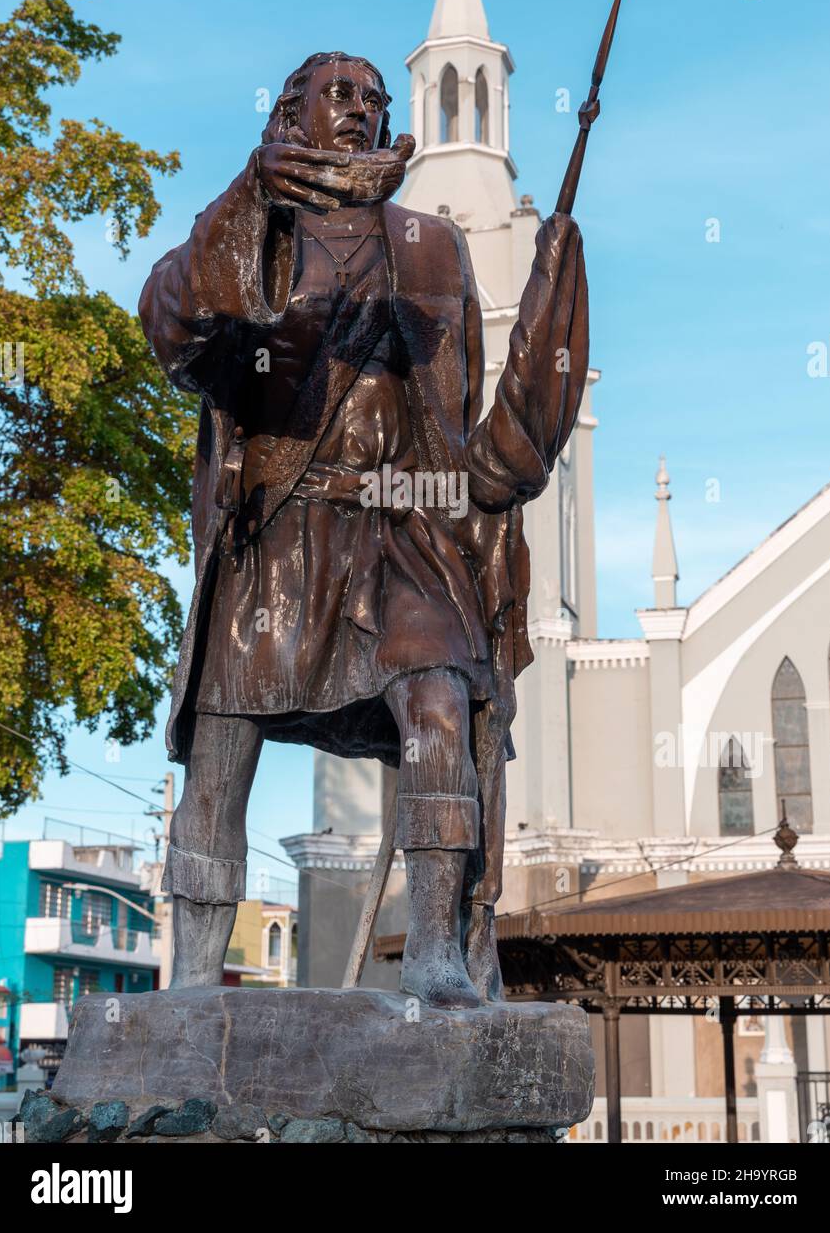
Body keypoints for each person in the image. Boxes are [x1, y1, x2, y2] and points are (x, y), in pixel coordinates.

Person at [139, 51, 589, 1007]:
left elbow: (460, 428)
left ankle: (433, 953)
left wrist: (551, 298)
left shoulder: (428, 243)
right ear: (290, 115)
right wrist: (252, 193)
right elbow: (174, 329)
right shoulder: (248, 223)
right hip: (277, 533)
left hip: (396, 530)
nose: (361, 112)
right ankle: (188, 982)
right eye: (339, 96)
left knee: (437, 702)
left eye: (374, 101)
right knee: (221, 752)